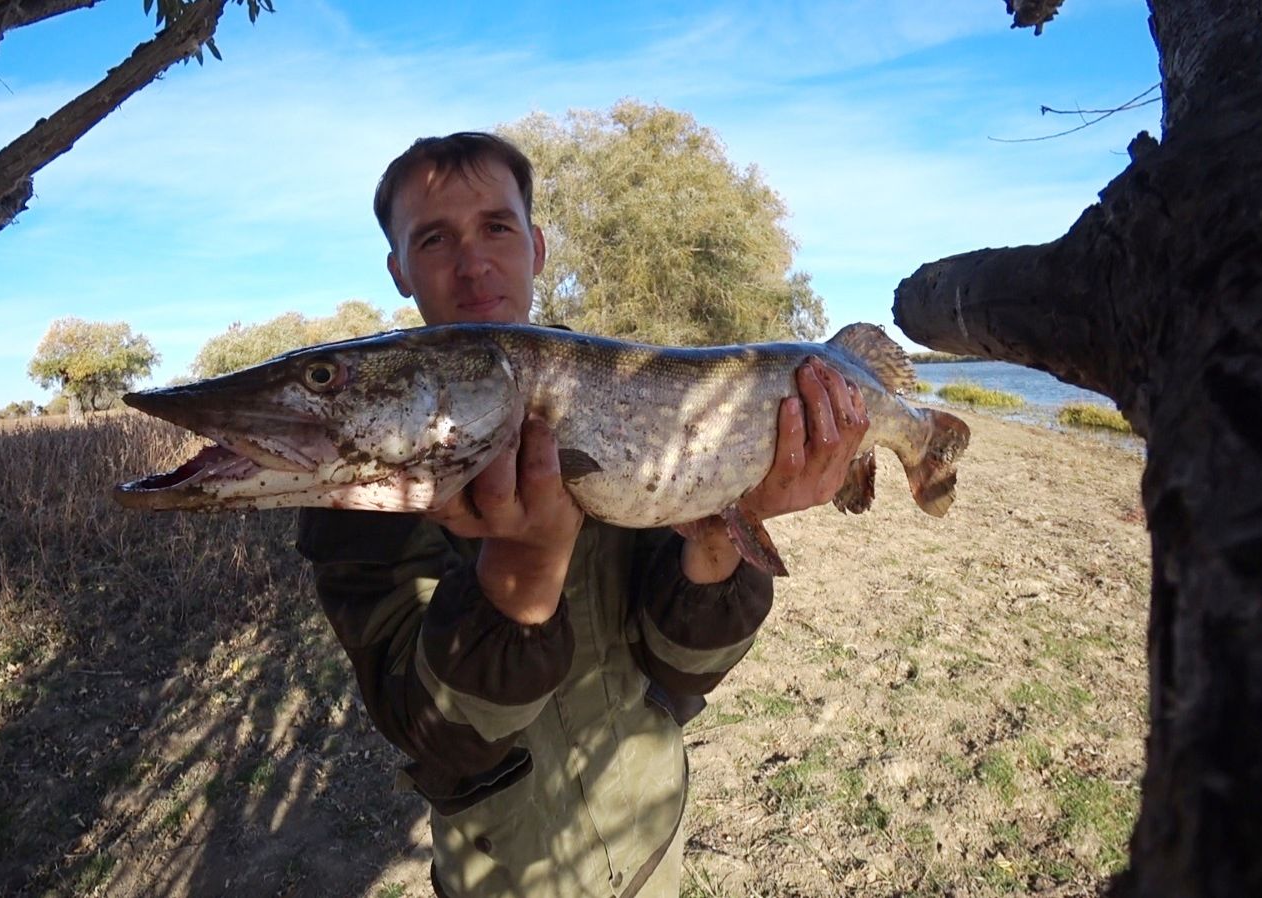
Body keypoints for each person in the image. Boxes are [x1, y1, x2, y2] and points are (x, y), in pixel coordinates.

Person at [295, 132, 868, 897]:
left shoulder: (622, 382)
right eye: (434, 239)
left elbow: (682, 663)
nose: (473, 263)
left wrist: (722, 533)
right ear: (399, 269)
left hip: (655, 838)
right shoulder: (359, 493)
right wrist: (522, 574)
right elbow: (433, 734)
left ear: (534, 245)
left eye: (497, 227)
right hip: (503, 873)